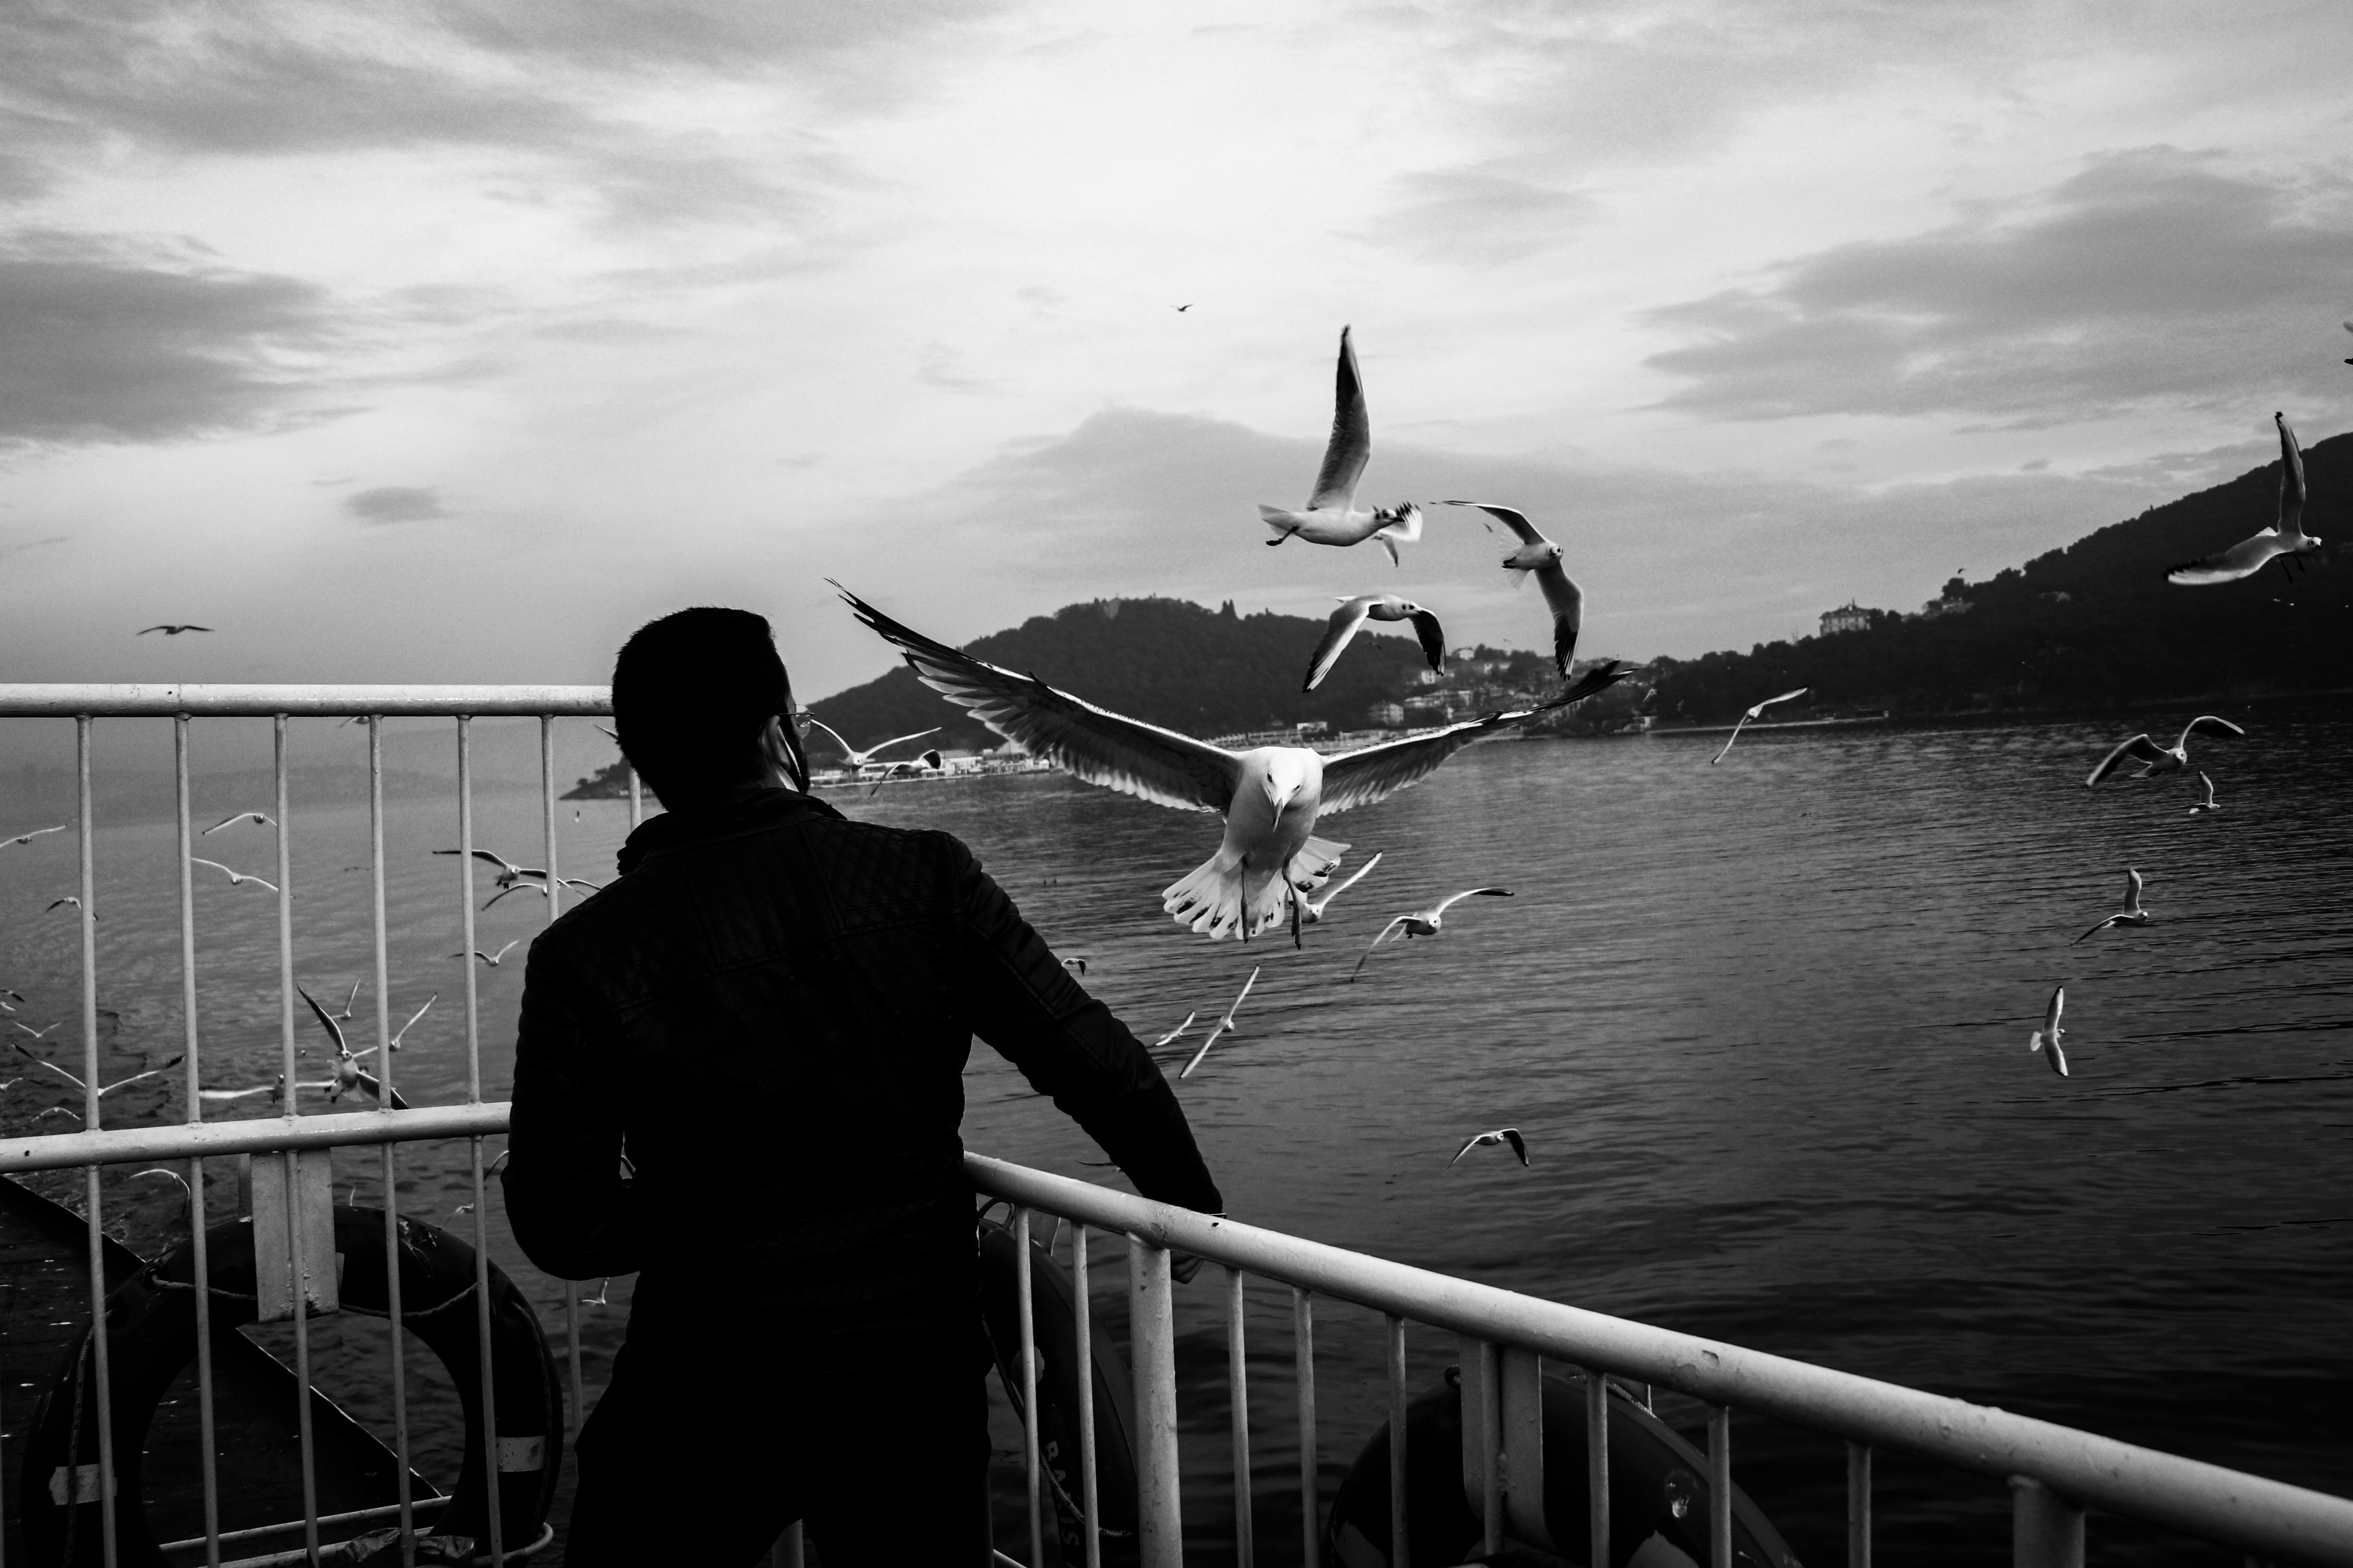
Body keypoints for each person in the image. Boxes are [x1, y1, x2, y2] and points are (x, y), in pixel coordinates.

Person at [502, 607, 1223, 1565]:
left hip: (705, 1386)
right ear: (779, 734)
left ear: (642, 765)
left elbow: (561, 1224)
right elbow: (1093, 1059)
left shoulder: (582, 957)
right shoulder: (925, 878)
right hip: (908, 1388)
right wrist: (1185, 1198)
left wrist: (711, 1208)